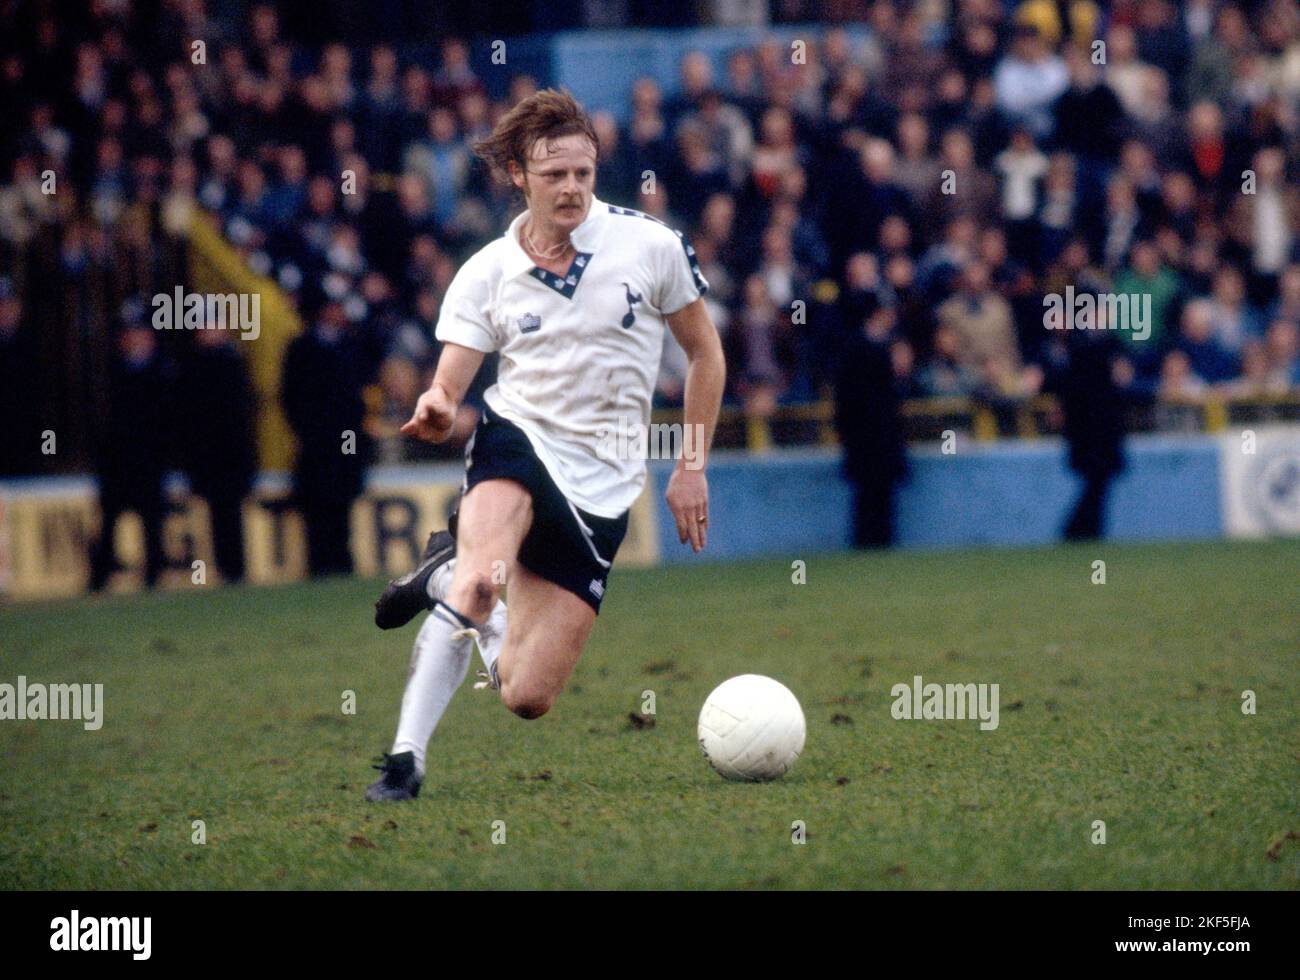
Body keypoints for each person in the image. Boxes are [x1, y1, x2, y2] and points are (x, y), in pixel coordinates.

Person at [365, 89, 726, 801]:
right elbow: (451, 382)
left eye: (582, 174)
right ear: (515, 173)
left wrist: (691, 467)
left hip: (605, 486)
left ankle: (439, 574)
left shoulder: (650, 245)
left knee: (526, 696)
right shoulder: (485, 272)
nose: (570, 188)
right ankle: (405, 761)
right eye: (553, 174)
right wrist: (438, 404)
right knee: (481, 583)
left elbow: (706, 356)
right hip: (518, 441)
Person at [179, 326, 258, 583]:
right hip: (208, 457)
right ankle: (226, 569)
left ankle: (235, 569)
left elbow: (246, 414)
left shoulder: (234, 363)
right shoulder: (192, 366)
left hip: (232, 456)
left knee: (230, 513)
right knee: (216, 515)